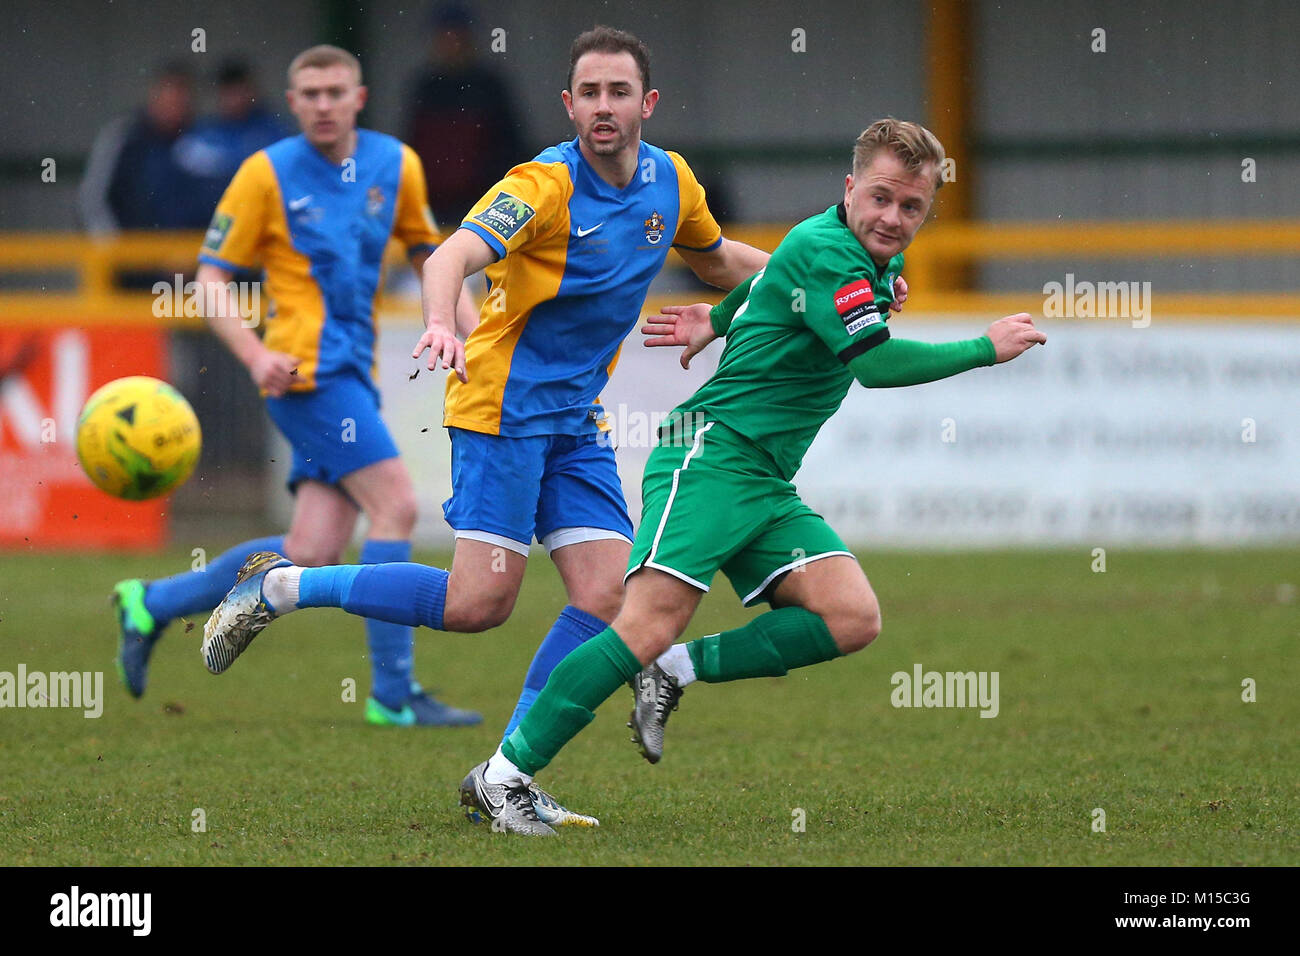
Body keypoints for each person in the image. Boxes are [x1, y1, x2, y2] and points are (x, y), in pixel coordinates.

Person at [199, 26, 771, 828]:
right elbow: (447, 256)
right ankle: (281, 586)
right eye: (589, 94)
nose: (603, 107)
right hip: (499, 409)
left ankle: (504, 778)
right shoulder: (541, 185)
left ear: (647, 103)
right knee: (479, 607)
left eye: (618, 92)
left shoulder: (671, 182)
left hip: (574, 420)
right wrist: (440, 322)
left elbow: (717, 262)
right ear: (569, 104)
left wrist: (815, 271)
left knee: (609, 595)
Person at [433, 117, 1046, 833]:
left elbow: (775, 284)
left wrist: (717, 320)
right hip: (710, 457)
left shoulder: (842, 250)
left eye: (911, 207)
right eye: (881, 197)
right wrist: (983, 345)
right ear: (850, 190)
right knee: (644, 623)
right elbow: (874, 366)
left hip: (763, 480)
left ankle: (674, 672)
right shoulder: (832, 251)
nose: (893, 216)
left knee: (850, 617)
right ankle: (503, 777)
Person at [113, 45, 483, 729]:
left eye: (334, 92)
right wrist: (254, 355)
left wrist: (477, 335)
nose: (321, 104)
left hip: (353, 375)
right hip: (303, 375)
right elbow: (212, 277)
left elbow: (433, 256)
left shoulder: (395, 164)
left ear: (359, 98)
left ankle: (151, 602)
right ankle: (393, 694)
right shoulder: (265, 174)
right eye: (309, 93)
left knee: (311, 552)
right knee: (397, 506)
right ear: (292, 100)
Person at [404, 2, 527, 227]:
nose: (450, 43)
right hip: (435, 208)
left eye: (456, 35)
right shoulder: (426, 87)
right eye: (444, 36)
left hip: (482, 205)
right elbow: (414, 147)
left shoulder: (490, 86)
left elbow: (509, 149)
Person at [80, 62, 215, 234]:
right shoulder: (125, 135)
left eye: (182, 99)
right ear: (154, 96)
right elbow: (91, 200)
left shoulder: (204, 137)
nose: (175, 106)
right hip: (134, 253)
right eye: (169, 98)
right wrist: (114, 249)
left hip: (191, 254)